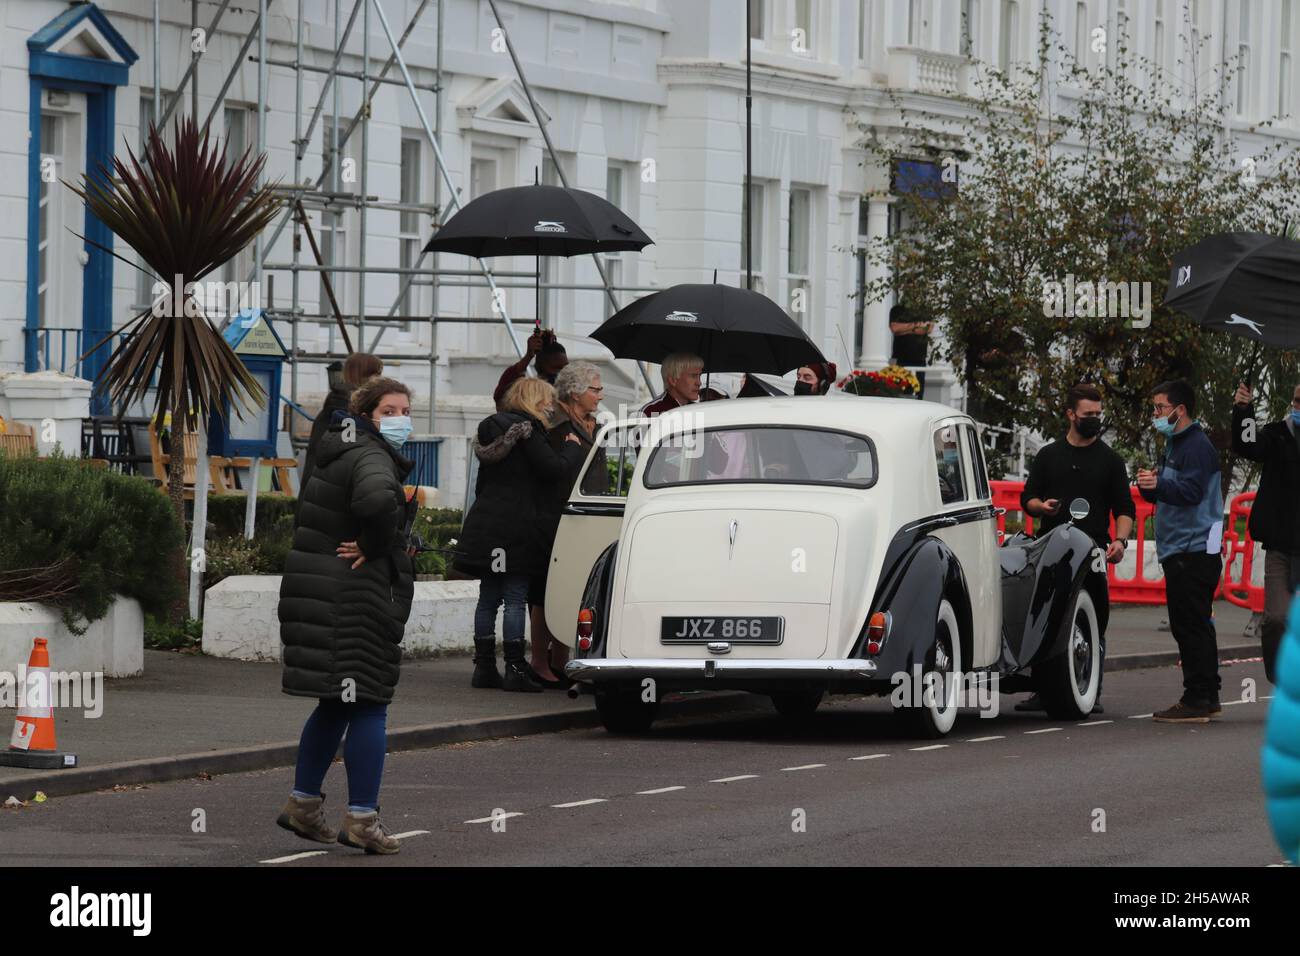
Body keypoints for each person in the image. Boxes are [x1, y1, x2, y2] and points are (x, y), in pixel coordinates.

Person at [276, 375, 418, 855]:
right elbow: (378, 500)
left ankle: (303, 806)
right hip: (352, 596)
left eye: (404, 411)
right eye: (390, 412)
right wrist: (378, 545)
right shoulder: (372, 456)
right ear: (367, 415)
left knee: (335, 702)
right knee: (370, 703)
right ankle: (361, 818)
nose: (400, 420)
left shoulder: (337, 447)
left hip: (318, 590)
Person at [455, 377, 584, 692]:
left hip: (487, 522)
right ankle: (515, 668)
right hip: (518, 525)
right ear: (536, 401)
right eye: (547, 401)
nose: (551, 407)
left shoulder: (490, 432)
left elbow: (481, 485)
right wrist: (572, 447)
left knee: (488, 598)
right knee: (514, 598)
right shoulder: (529, 431)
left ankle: (484, 667)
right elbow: (553, 469)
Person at [1015, 383, 1136, 715]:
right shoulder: (1048, 456)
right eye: (1088, 415)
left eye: (1098, 414)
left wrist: (1120, 541)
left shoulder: (1111, 461)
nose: (1095, 420)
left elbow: (1125, 509)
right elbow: (1028, 499)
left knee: (1092, 618)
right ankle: (1043, 689)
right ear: (1071, 415)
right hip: (1051, 554)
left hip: (1094, 553)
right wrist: (1043, 507)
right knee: (1044, 616)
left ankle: (1090, 688)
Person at [1137, 380, 1225, 724]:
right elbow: (1171, 491)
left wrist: (1159, 484)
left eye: (1160, 408)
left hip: (1193, 548)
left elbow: (1191, 492)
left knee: (1190, 625)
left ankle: (1197, 697)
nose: (1156, 415)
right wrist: (1152, 486)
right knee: (1195, 624)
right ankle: (1208, 694)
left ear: (1180, 409)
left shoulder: (1196, 446)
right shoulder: (1175, 444)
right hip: (1182, 547)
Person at [529, 361, 608, 685]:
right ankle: (538, 660)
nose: (600, 396)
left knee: (573, 586)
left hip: (583, 516)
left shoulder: (594, 423)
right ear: (575, 393)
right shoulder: (554, 424)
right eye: (595, 389)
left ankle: (561, 658)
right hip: (553, 515)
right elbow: (549, 471)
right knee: (545, 589)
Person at [1231, 381, 1300, 683]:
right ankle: (1279, 676)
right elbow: (1248, 444)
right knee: (1275, 618)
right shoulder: (1276, 435)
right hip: (1281, 548)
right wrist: (1243, 410)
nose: (1299, 407)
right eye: (1298, 401)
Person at [300, 352, 384, 497]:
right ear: (362, 375)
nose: (379, 380)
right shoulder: (343, 410)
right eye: (376, 374)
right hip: (327, 493)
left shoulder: (341, 404)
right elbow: (348, 450)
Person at [493, 329, 568, 410]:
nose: (561, 372)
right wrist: (528, 356)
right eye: (555, 368)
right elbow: (503, 397)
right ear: (539, 365)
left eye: (565, 367)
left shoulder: (569, 391)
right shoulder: (527, 394)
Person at [889, 302, 932, 397]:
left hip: (919, 360)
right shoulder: (897, 310)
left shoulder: (923, 311)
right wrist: (916, 326)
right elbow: (895, 328)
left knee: (918, 394)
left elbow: (929, 328)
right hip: (900, 360)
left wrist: (905, 328)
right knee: (899, 393)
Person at [641, 352, 703, 416]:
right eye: (693, 376)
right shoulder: (650, 412)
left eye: (700, 376)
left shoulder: (699, 410)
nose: (699, 383)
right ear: (673, 380)